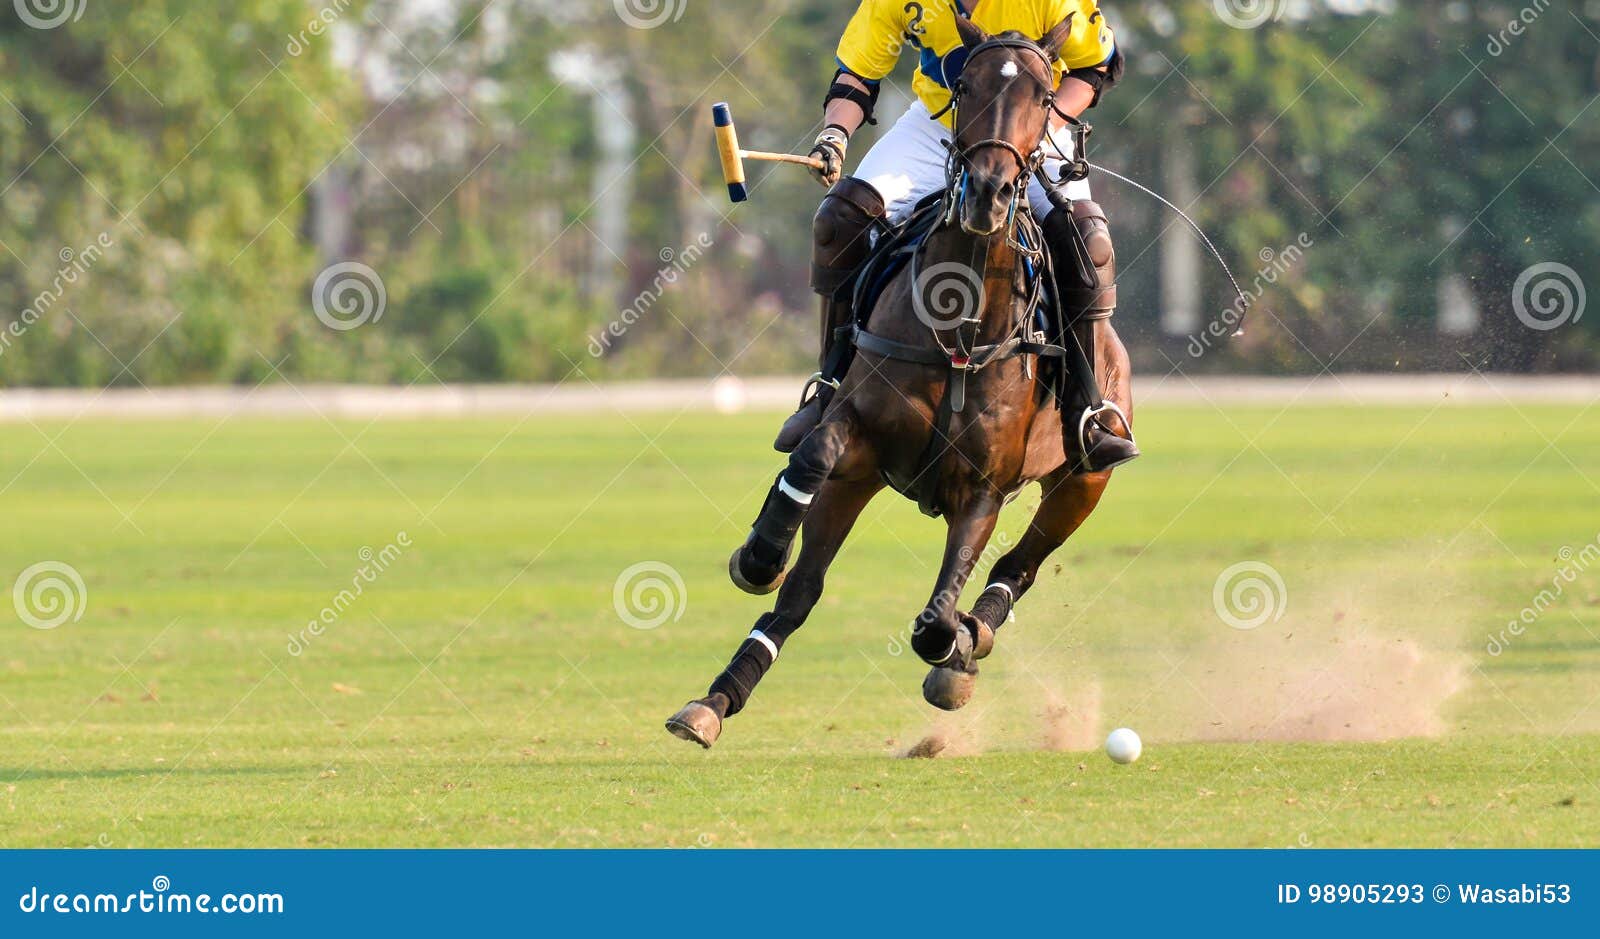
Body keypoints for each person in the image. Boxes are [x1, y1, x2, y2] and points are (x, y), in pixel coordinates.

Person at [774, 0, 1138, 473]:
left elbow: (1096, 65)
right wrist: (834, 136)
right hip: (937, 127)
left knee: (1088, 239)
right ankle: (830, 385)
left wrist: (1040, 124)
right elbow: (857, 76)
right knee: (839, 218)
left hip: (1030, 126)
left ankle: (1088, 408)